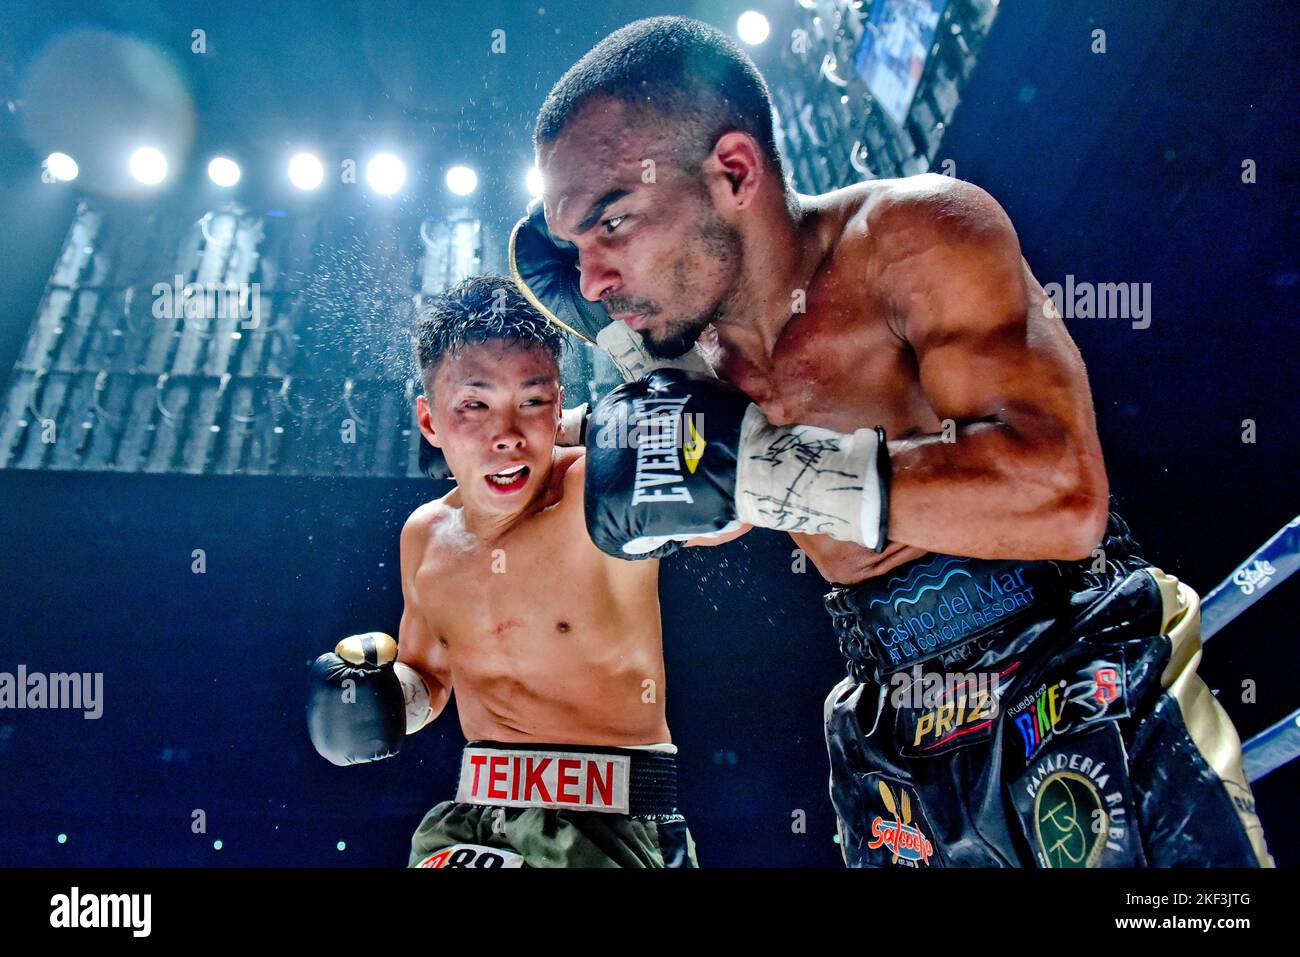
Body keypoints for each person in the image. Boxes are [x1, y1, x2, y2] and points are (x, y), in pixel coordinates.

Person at [512, 16, 1272, 867]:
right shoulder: (695, 364)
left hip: (1076, 661)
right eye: (573, 246)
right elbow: (665, 491)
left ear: (733, 172)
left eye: (611, 223)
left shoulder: (914, 239)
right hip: (895, 729)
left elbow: (1063, 495)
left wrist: (769, 474)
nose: (586, 279)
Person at [306, 275, 739, 868]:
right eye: (475, 406)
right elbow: (428, 677)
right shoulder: (426, 535)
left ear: (560, 406)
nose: (507, 436)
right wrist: (376, 702)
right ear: (430, 422)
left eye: (532, 402)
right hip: (468, 819)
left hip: (610, 819)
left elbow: (726, 494)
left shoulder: (597, 490)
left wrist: (635, 366)